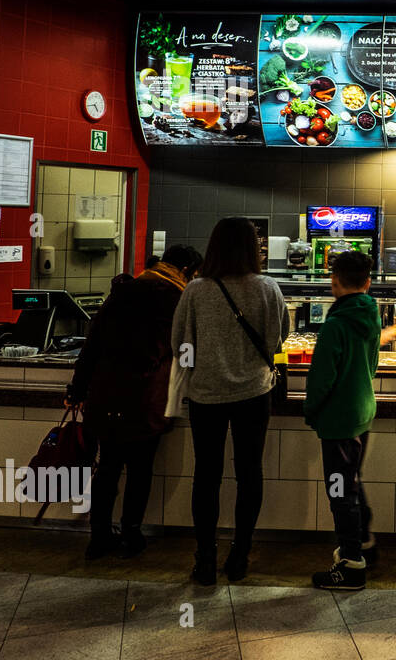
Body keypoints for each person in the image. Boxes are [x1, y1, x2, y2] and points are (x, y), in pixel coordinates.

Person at [172, 217, 289, 586]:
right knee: (249, 472)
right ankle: (240, 554)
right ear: (253, 248)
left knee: (206, 475)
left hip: (206, 395)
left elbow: (179, 345)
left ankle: (205, 558)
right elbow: (279, 339)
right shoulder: (267, 287)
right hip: (254, 394)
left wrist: (202, 369)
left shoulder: (196, 289)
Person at [68, 245, 202, 560]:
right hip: (145, 397)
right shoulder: (175, 297)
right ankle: (132, 533)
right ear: (186, 270)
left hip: (107, 394)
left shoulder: (124, 290)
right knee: (140, 469)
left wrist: (77, 388)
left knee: (108, 468)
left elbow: (93, 344)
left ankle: (99, 536)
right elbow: (186, 348)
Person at [305, 251, 381, 591]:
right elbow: (373, 362)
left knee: (339, 490)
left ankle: (350, 566)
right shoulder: (371, 313)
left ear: (334, 281)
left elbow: (321, 378)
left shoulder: (335, 325)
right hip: (362, 411)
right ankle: (362, 541)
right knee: (350, 481)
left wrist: (311, 410)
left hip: (337, 419)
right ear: (367, 282)